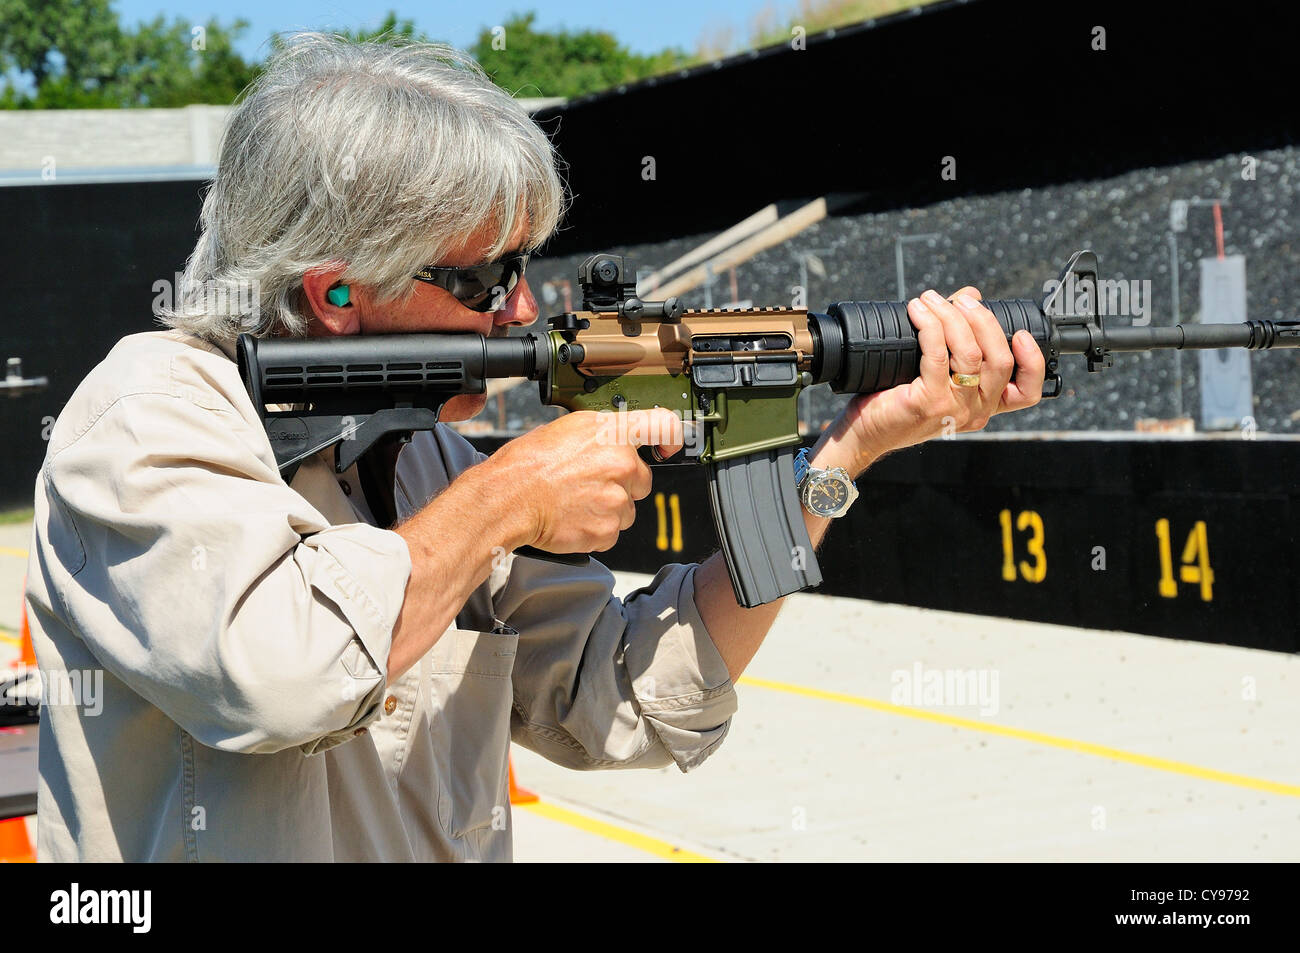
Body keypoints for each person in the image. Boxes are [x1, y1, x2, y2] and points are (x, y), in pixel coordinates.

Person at [23, 34, 1044, 862]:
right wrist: (511, 494)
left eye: (524, 264)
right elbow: (278, 676)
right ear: (335, 293)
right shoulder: (149, 417)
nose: (522, 306)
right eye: (482, 277)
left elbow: (622, 700)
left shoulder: (418, 455)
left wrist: (848, 450)